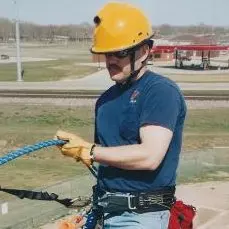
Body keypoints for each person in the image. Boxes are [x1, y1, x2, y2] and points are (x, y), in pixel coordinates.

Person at [55, 2, 187, 229]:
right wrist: (92, 213)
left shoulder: (160, 92)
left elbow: (149, 156)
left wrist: (90, 151)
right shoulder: (105, 101)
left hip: (141, 217)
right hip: (106, 210)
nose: (110, 60)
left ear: (144, 51)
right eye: (106, 53)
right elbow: (110, 163)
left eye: (120, 53)